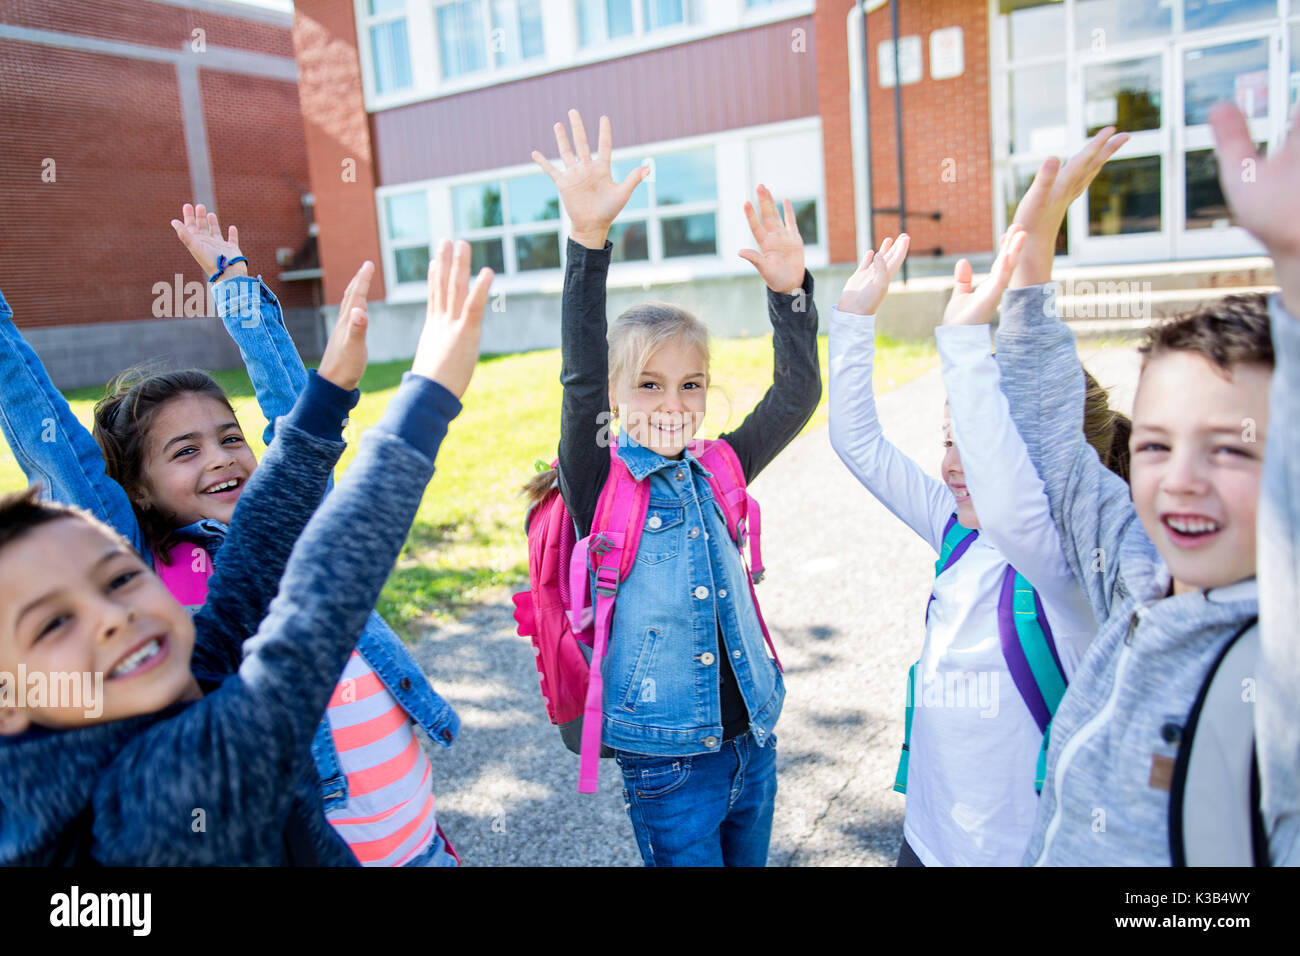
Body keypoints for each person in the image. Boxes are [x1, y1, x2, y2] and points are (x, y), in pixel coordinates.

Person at [0, 241, 492, 865]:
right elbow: (312, 611)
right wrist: (426, 400)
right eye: (52, 623)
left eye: (120, 579)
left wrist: (331, 391)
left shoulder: (184, 667)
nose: (111, 615)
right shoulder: (143, 806)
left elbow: (265, 539)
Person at [994, 102, 1297, 866]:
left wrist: (1290, 263)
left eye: (1231, 449)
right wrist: (1030, 260)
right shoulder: (1137, 568)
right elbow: (1060, 447)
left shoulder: (1280, 663)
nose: (1180, 482)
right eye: (1156, 444)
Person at [528, 110, 821, 866]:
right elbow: (580, 376)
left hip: (752, 740)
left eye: (690, 384)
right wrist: (587, 243)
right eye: (650, 385)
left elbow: (794, 397)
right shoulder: (599, 480)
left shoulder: (719, 467)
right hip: (667, 763)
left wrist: (791, 294)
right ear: (619, 398)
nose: (673, 403)